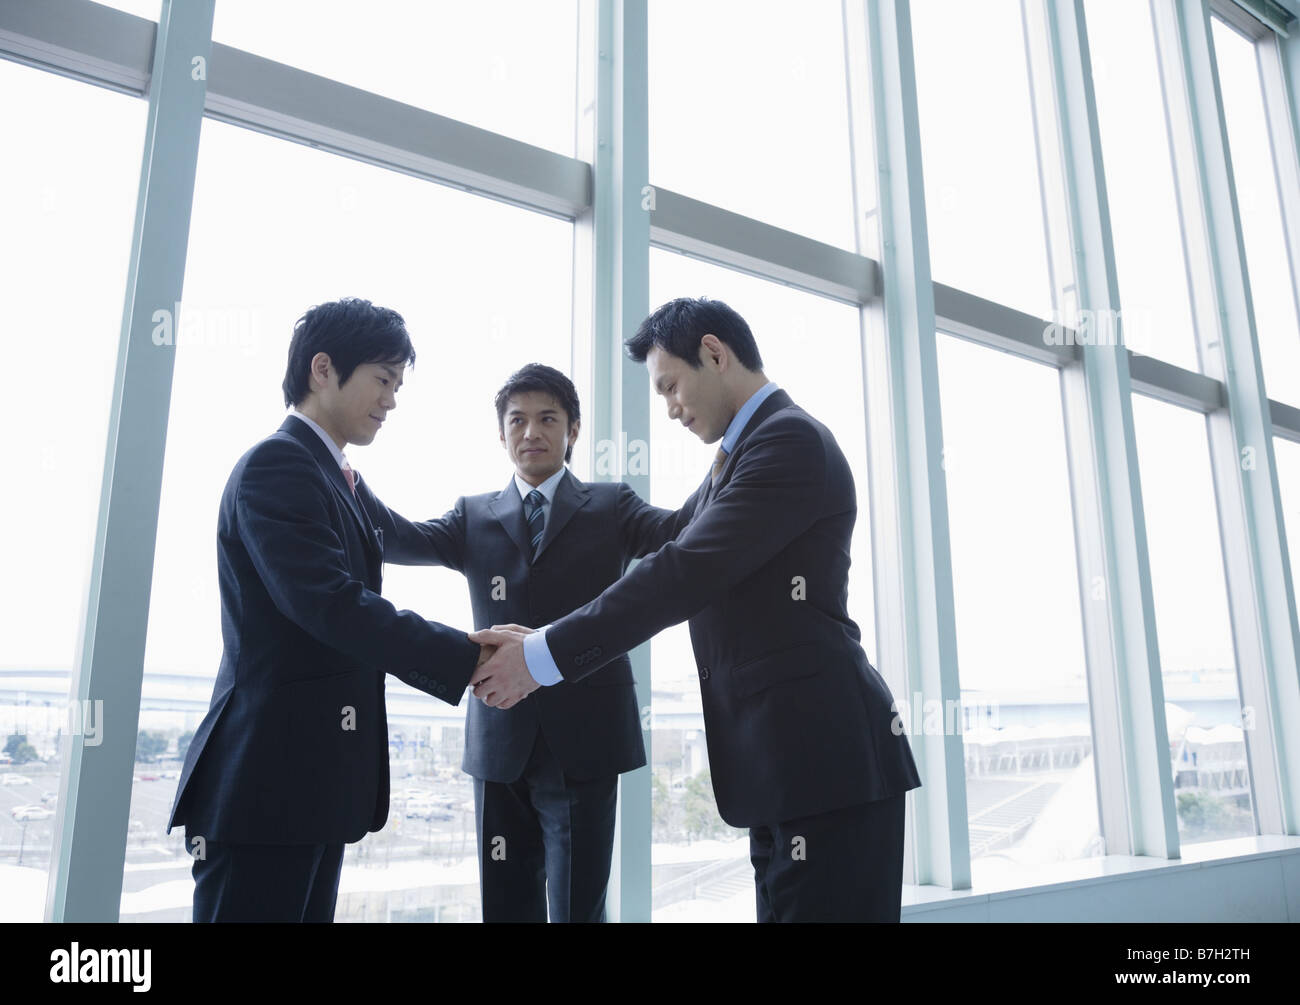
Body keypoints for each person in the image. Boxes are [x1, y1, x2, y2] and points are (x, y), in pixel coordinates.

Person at [471, 297, 923, 922]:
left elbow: (683, 570)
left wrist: (544, 655)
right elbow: (674, 540)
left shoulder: (786, 441)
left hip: (825, 762)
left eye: (670, 386)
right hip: (786, 768)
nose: (671, 408)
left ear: (714, 353)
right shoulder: (734, 461)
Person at [167, 297, 487, 922]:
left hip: (309, 789)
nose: (392, 399)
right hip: (265, 786)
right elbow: (330, 606)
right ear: (323, 369)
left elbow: (413, 537)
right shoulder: (278, 466)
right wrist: (467, 656)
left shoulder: (335, 475)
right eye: (383, 378)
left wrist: (514, 514)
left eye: (397, 383)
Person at [369, 363, 688, 921]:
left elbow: (683, 532)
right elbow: (399, 539)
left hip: (587, 739)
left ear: (573, 430)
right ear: (501, 434)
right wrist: (343, 477)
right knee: (506, 907)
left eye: (548, 419)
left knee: (577, 908)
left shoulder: (613, 506)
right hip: (500, 738)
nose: (531, 433)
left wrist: (729, 473)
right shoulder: (472, 515)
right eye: (517, 421)